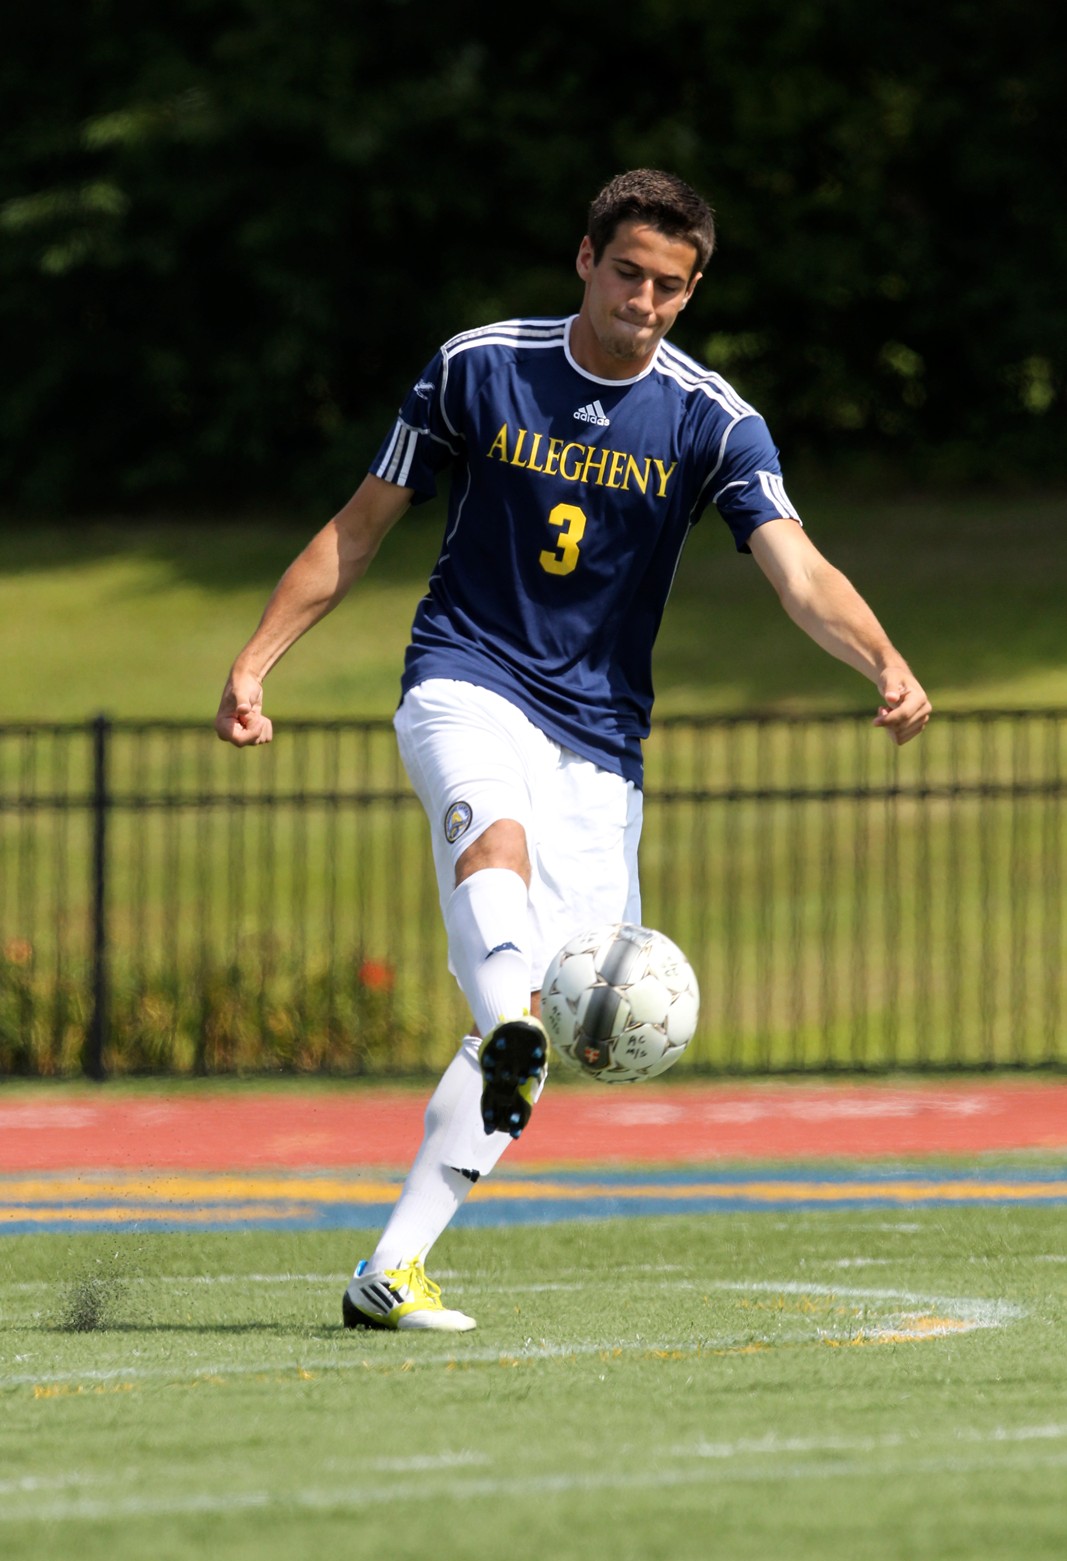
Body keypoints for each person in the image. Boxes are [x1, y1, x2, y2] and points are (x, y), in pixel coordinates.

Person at [215, 168, 931, 1332]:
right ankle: (502, 1013)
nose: (642, 301)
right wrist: (256, 660)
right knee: (492, 867)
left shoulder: (710, 419)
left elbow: (794, 567)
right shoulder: (478, 367)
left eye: (669, 286)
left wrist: (883, 660)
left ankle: (387, 1270)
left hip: (599, 741)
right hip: (466, 677)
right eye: (627, 273)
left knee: (547, 1029)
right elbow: (360, 527)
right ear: (584, 261)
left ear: (688, 294)